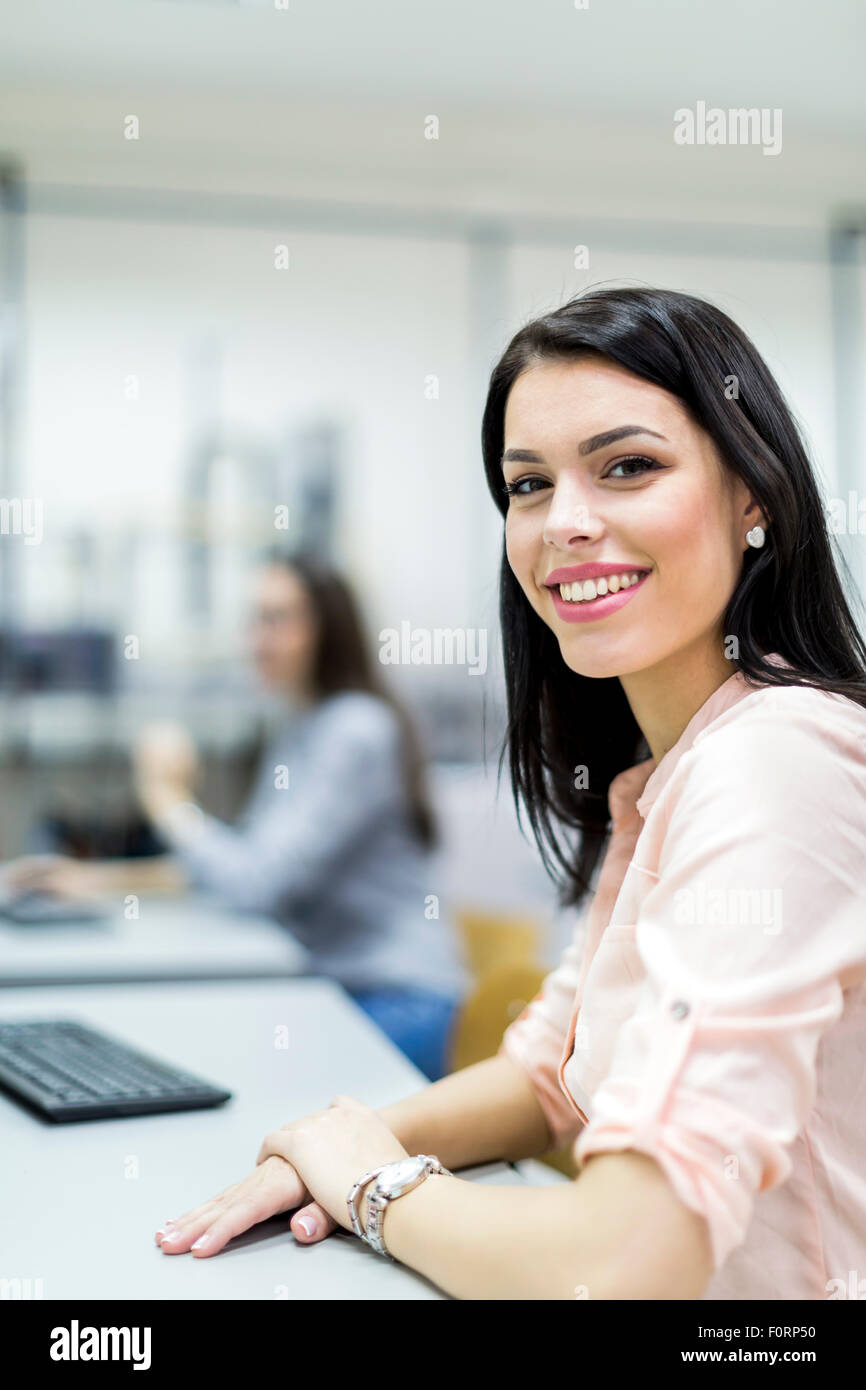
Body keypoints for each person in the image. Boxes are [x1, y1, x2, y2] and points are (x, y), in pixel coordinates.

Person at [152, 286, 866, 1300]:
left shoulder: (776, 762)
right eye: (526, 485)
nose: (563, 523)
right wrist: (324, 1140)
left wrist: (369, 1182)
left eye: (628, 466)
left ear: (751, 493)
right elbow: (548, 1075)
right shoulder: (667, 775)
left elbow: (621, 1267)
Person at [3, 552, 471, 1083]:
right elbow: (239, 863)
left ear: (329, 629)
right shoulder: (305, 726)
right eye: (254, 619)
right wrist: (99, 881)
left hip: (394, 1001)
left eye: (278, 619)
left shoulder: (354, 729)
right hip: (338, 989)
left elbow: (255, 884)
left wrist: (167, 797)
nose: (258, 639)